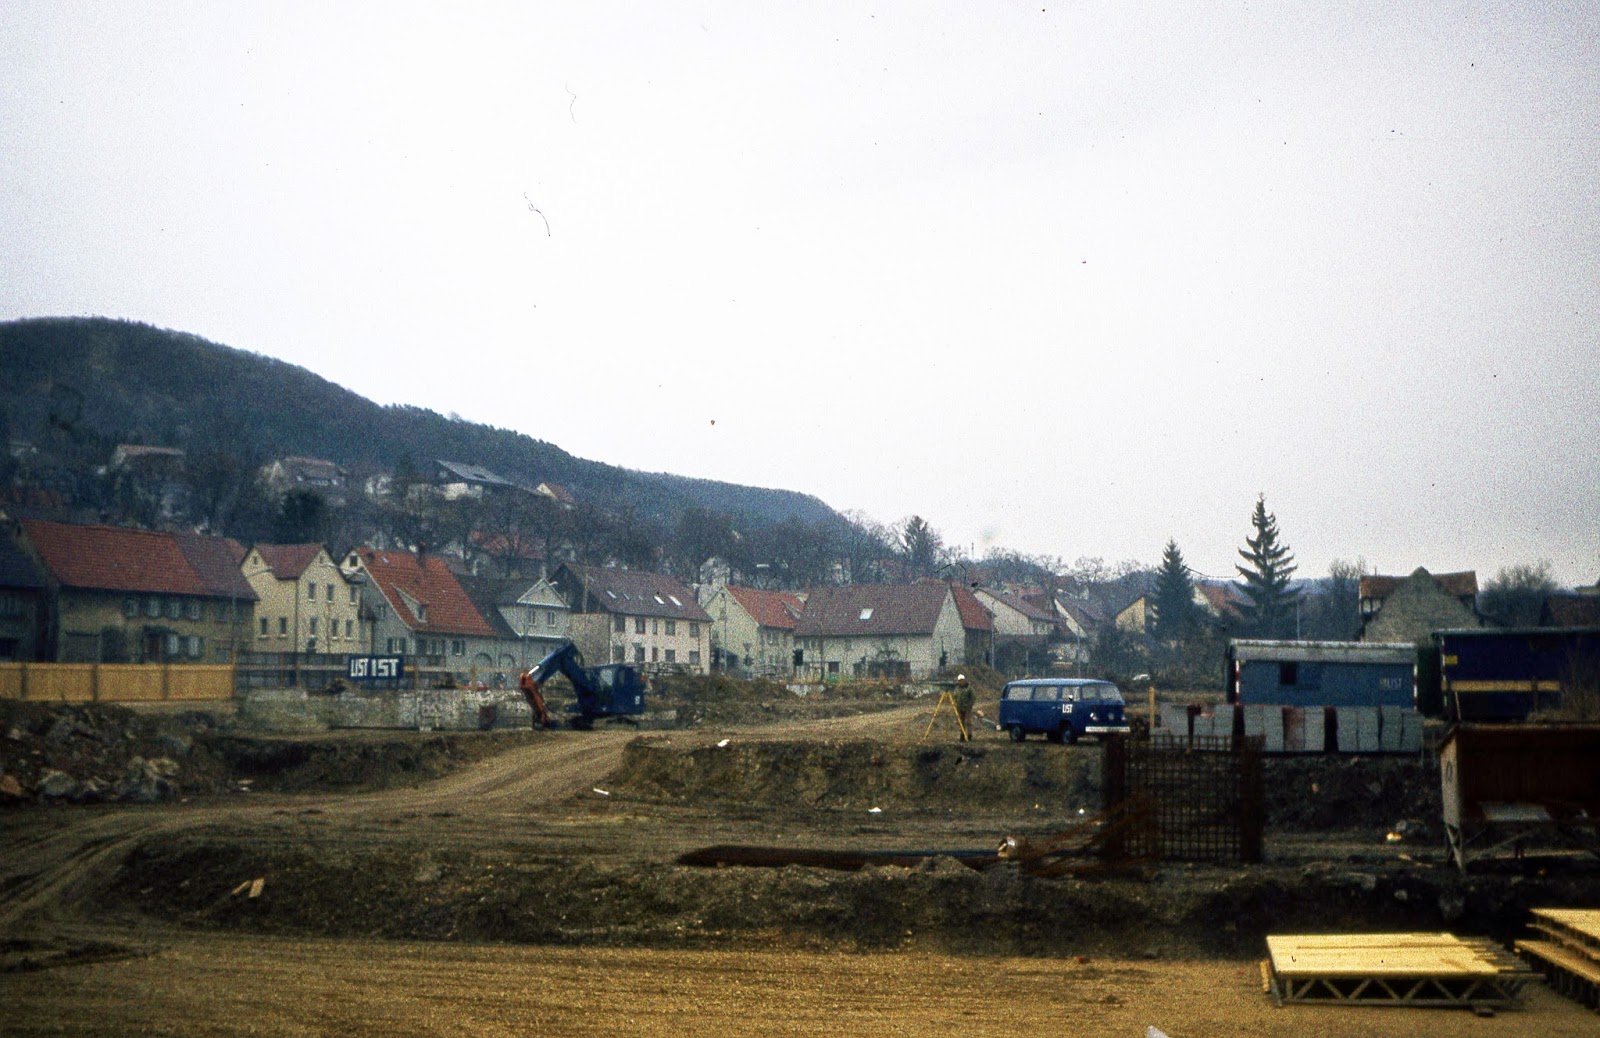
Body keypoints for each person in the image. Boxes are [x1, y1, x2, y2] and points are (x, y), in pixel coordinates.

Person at [953, 673, 975, 741]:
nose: (960, 682)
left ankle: (969, 735)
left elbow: (973, 697)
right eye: (959, 681)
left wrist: (970, 705)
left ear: (964, 680)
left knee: (968, 722)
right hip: (960, 708)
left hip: (967, 708)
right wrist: (956, 703)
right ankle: (962, 735)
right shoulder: (957, 689)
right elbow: (955, 697)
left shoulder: (969, 688)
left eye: (961, 680)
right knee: (961, 722)